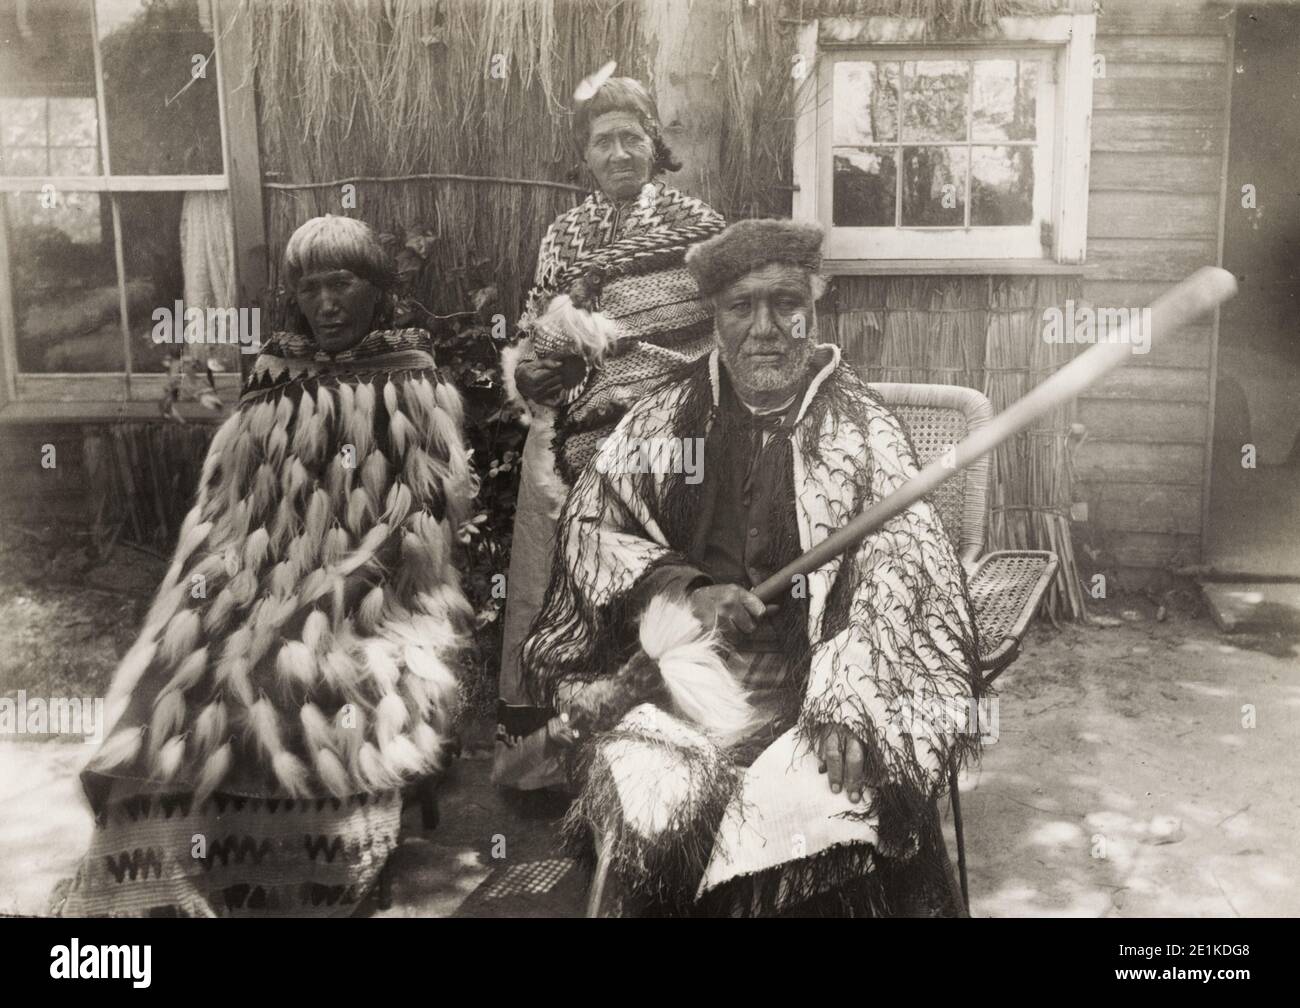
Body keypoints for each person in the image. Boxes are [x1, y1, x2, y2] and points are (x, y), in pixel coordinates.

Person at [522, 219, 982, 916]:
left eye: (785, 303)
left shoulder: (860, 431)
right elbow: (594, 528)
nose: (764, 328)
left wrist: (852, 699)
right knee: (652, 797)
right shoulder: (668, 423)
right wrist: (685, 591)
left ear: (812, 311)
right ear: (715, 318)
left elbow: (902, 571)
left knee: (818, 820)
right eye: (742, 307)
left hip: (820, 679)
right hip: (682, 678)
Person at [58, 216, 475, 917]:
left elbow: (420, 518)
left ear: (377, 291)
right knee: (180, 672)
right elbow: (227, 508)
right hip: (261, 572)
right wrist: (210, 582)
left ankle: (312, 877)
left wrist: (341, 582)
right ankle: (164, 884)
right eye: (309, 289)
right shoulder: (275, 379)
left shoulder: (413, 381)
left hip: (374, 586)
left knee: (308, 674)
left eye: (341, 284)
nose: (326, 304)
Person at [493, 76, 725, 791]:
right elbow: (537, 333)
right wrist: (548, 358)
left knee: (651, 572)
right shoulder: (563, 234)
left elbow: (718, 334)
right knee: (564, 564)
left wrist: (640, 386)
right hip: (573, 429)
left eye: (633, 137)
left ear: (656, 145)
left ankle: (665, 751)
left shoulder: (701, 226)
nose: (620, 152)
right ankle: (569, 753)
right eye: (603, 141)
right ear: (584, 156)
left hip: (673, 427)